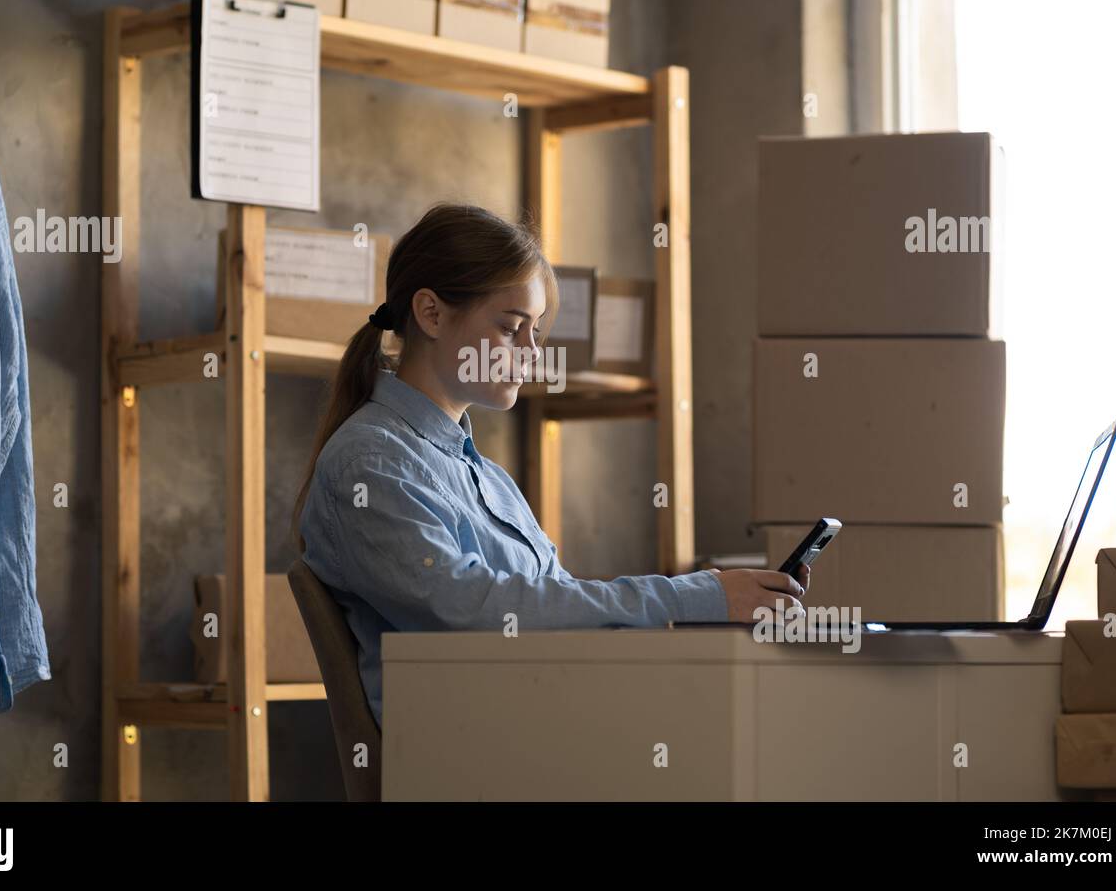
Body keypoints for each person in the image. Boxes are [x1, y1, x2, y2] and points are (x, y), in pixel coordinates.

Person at [294, 203, 808, 727]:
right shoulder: (371, 465)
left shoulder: (486, 479)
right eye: (512, 328)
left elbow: (559, 607)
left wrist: (708, 607)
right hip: (478, 752)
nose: (532, 352)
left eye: (536, 331)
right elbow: (469, 612)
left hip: (543, 724)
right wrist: (691, 598)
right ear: (431, 313)